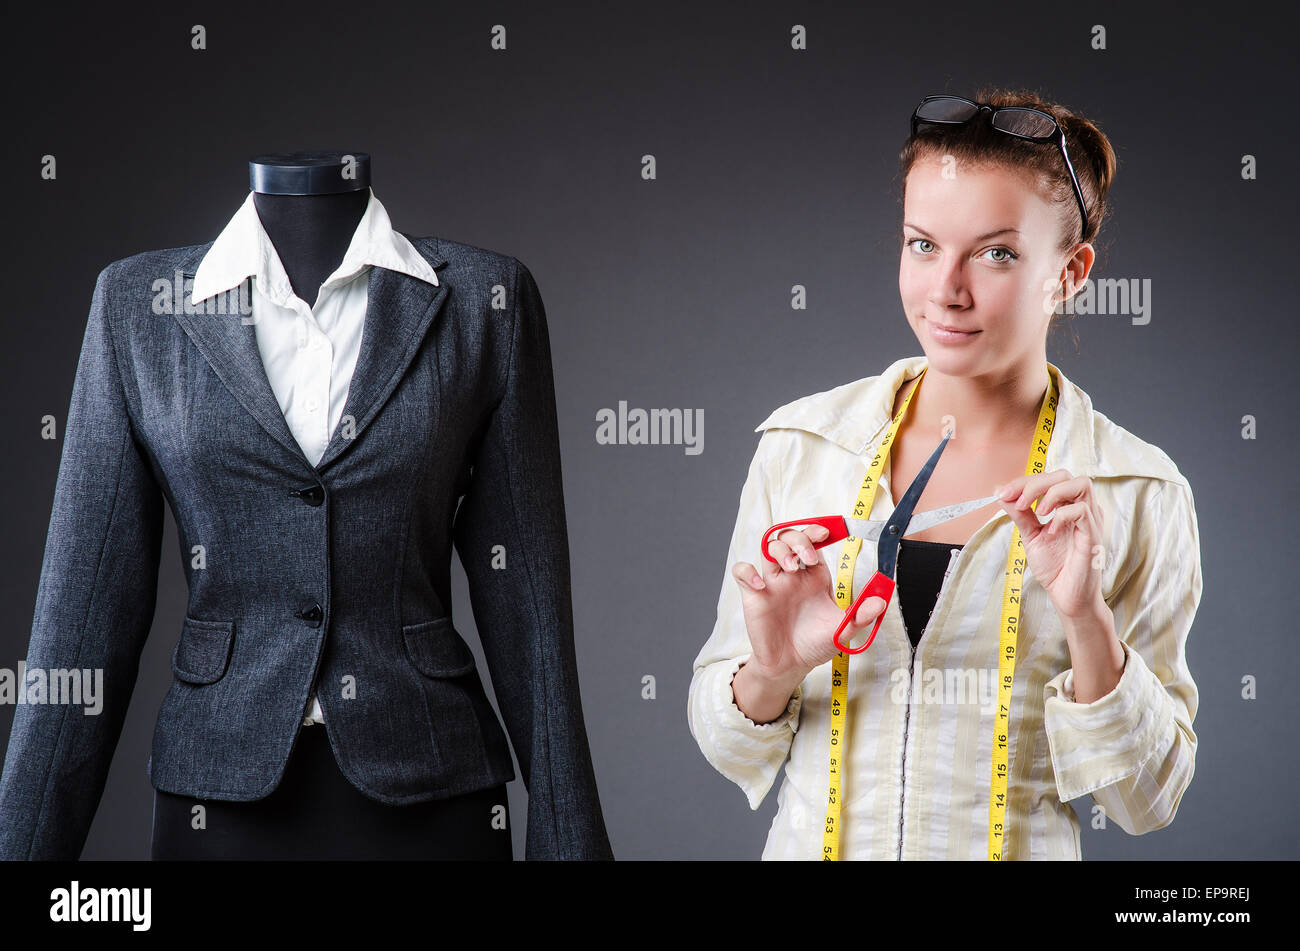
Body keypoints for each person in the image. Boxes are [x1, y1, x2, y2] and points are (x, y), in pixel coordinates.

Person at [687, 88, 1202, 860]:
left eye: (996, 253)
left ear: (1071, 272)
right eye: (922, 244)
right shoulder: (803, 445)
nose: (946, 290)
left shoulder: (1136, 491)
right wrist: (775, 666)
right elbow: (729, 746)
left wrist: (1087, 617)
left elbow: (1148, 798)